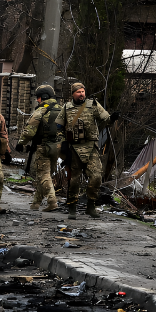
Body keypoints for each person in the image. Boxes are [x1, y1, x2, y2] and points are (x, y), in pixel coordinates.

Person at [62, 82, 112, 218]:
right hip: (74, 149)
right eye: (78, 92)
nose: (81, 94)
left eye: (83, 91)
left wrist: (112, 119)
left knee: (96, 176)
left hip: (91, 148)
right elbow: (59, 127)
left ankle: (91, 206)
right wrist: (63, 146)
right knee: (74, 180)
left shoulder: (93, 105)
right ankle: (72, 207)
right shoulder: (66, 108)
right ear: (73, 94)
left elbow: (105, 118)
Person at [19, 84, 65, 213]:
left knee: (43, 175)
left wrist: (21, 142)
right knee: (46, 175)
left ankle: (52, 201)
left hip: (43, 147)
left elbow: (29, 131)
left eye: (38, 98)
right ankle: (36, 202)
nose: (37, 100)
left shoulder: (41, 110)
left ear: (43, 97)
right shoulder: (61, 109)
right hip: (58, 147)